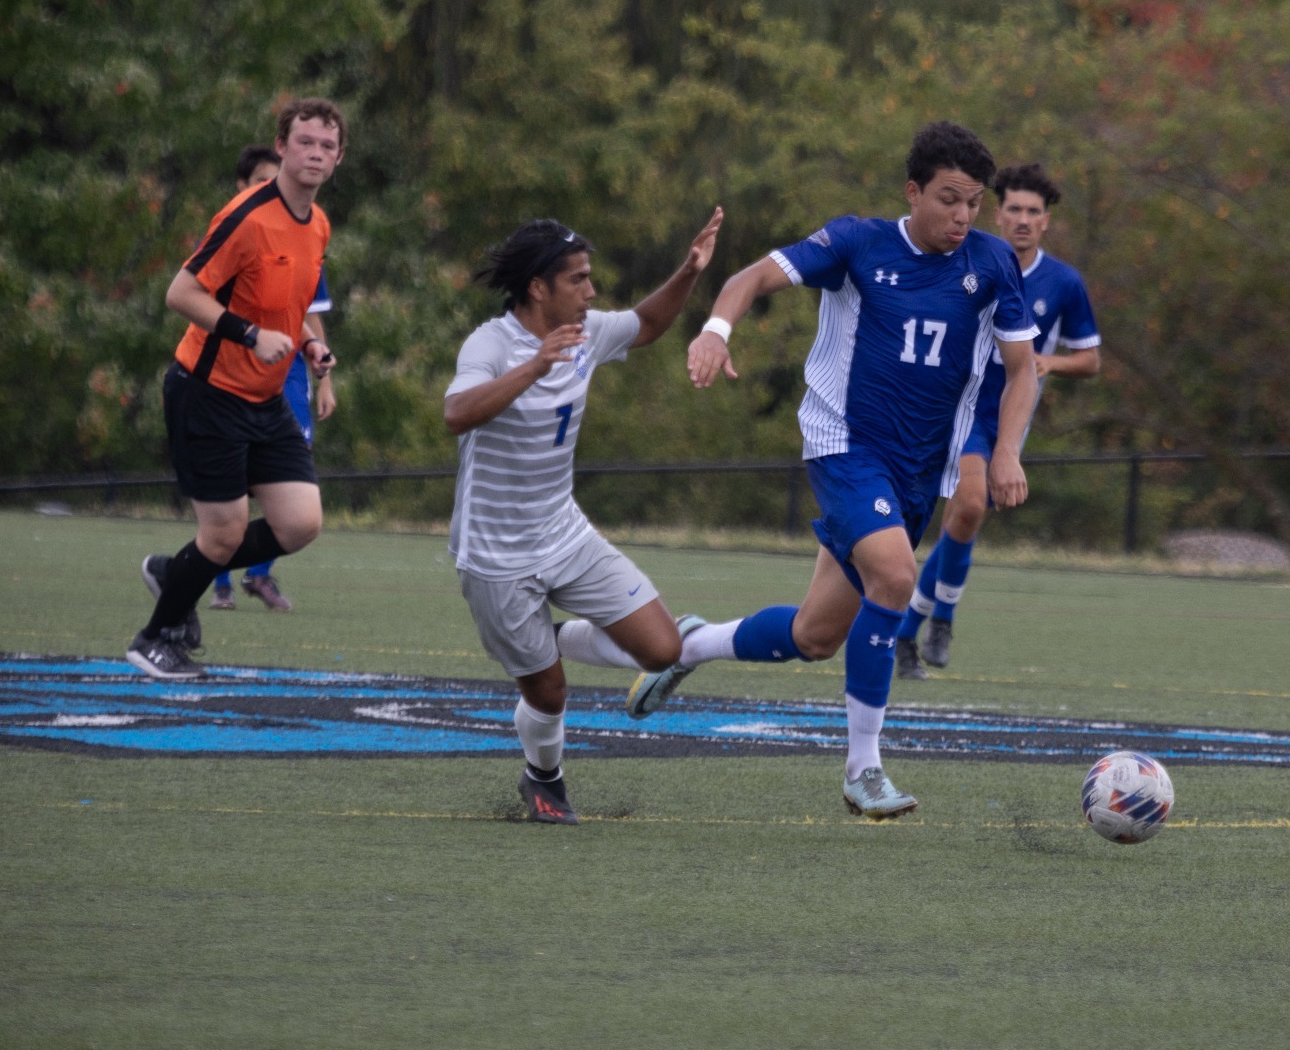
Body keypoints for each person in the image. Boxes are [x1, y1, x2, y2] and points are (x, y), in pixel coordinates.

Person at [627, 121, 1039, 820]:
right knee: (898, 577)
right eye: (948, 199)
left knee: (816, 636)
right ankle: (864, 769)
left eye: (973, 202)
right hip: (844, 445)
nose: (962, 216)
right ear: (912, 191)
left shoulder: (993, 263)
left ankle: (689, 642)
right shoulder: (857, 243)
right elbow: (751, 276)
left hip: (919, 469)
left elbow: (1022, 367)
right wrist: (714, 330)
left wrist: (1005, 450)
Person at [445, 209, 724, 825]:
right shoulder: (490, 343)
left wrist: (688, 271)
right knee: (548, 692)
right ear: (538, 287)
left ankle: (554, 640)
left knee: (662, 648)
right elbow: (458, 413)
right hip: (496, 555)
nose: (591, 292)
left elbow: (649, 323)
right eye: (577, 279)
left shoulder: (588, 330)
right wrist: (534, 366)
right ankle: (545, 778)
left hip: (564, 533)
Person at [126, 99, 343, 678]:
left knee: (299, 524)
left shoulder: (318, 223)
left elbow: (287, 305)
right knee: (221, 536)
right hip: (208, 391)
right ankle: (154, 638)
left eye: (327, 146)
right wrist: (247, 334)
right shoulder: (249, 216)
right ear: (281, 146)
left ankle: (177, 573)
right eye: (305, 143)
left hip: (264, 399)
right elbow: (181, 293)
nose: (315, 154)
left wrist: (308, 345)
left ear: (338, 157)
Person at [895, 162, 1100, 678]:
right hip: (948, 405)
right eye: (1014, 209)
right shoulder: (967, 259)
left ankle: (918, 629)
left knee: (966, 513)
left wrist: (1049, 362)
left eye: (1034, 211)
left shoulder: (1062, 282)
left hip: (1001, 416)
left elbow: (1091, 359)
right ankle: (927, 622)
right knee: (957, 510)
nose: (1023, 220)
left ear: (1046, 221)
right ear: (998, 212)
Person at [209, 143, 337, 614]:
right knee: (236, 487)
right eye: (260, 181)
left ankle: (257, 575)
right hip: (237, 377)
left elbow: (305, 310)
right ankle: (217, 579)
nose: (270, 189)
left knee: (294, 488)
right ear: (242, 187)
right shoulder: (236, 231)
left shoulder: (307, 232)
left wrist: (321, 374)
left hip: (288, 382)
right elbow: (197, 299)